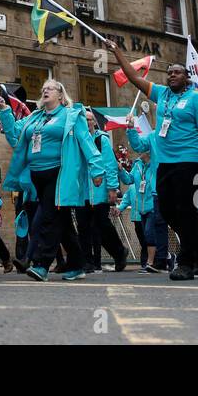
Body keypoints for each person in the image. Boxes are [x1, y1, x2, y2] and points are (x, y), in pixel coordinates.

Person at [110, 45, 198, 281]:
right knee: (166, 211)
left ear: (187, 78)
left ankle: (186, 262)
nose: (171, 75)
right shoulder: (161, 94)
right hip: (165, 163)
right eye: (169, 73)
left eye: (177, 72)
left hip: (190, 161)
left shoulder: (196, 100)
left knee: (187, 211)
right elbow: (134, 77)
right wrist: (117, 53)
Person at [0, 80, 103, 282]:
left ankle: (42, 265)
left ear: (61, 96)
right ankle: (78, 264)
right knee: (61, 220)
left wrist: (97, 170)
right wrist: (4, 110)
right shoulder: (35, 117)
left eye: (50, 88)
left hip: (59, 174)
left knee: (50, 217)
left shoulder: (71, 116)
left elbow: (86, 143)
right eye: (43, 88)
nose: (45, 90)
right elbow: (14, 136)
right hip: (36, 176)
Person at [80, 106, 127, 273]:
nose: (86, 122)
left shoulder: (102, 140)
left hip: (100, 191)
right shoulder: (77, 140)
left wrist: (113, 188)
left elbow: (111, 166)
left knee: (102, 225)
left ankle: (119, 252)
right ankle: (88, 261)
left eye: (89, 119)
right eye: (83, 119)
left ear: (94, 122)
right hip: (83, 192)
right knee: (84, 227)